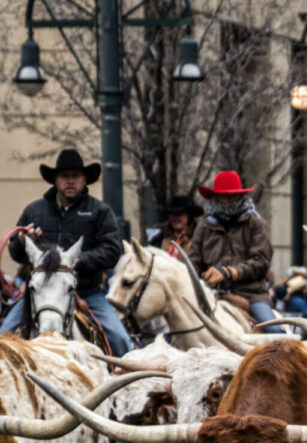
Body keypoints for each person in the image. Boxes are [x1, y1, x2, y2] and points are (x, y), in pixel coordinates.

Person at [1, 147, 131, 355]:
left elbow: (112, 251)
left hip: (88, 293)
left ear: (84, 180)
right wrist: (22, 241)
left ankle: (124, 383)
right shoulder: (33, 211)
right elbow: (16, 254)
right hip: (40, 294)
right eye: (64, 176)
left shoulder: (100, 211)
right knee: (4, 335)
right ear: (55, 180)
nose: (70, 181)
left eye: (75, 176)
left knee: (120, 339)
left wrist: (74, 261)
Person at [188, 170, 280, 332]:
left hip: (251, 295)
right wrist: (204, 277)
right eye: (223, 196)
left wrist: (229, 272)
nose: (227, 201)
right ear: (215, 198)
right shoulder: (203, 228)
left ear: (240, 196)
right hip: (210, 294)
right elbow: (193, 264)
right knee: (176, 336)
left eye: (232, 196)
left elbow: (261, 261)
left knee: (275, 334)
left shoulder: (256, 224)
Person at [147, 194, 202, 261]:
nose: (175, 218)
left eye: (179, 214)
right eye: (173, 214)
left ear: (189, 216)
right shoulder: (159, 240)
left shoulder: (198, 239)